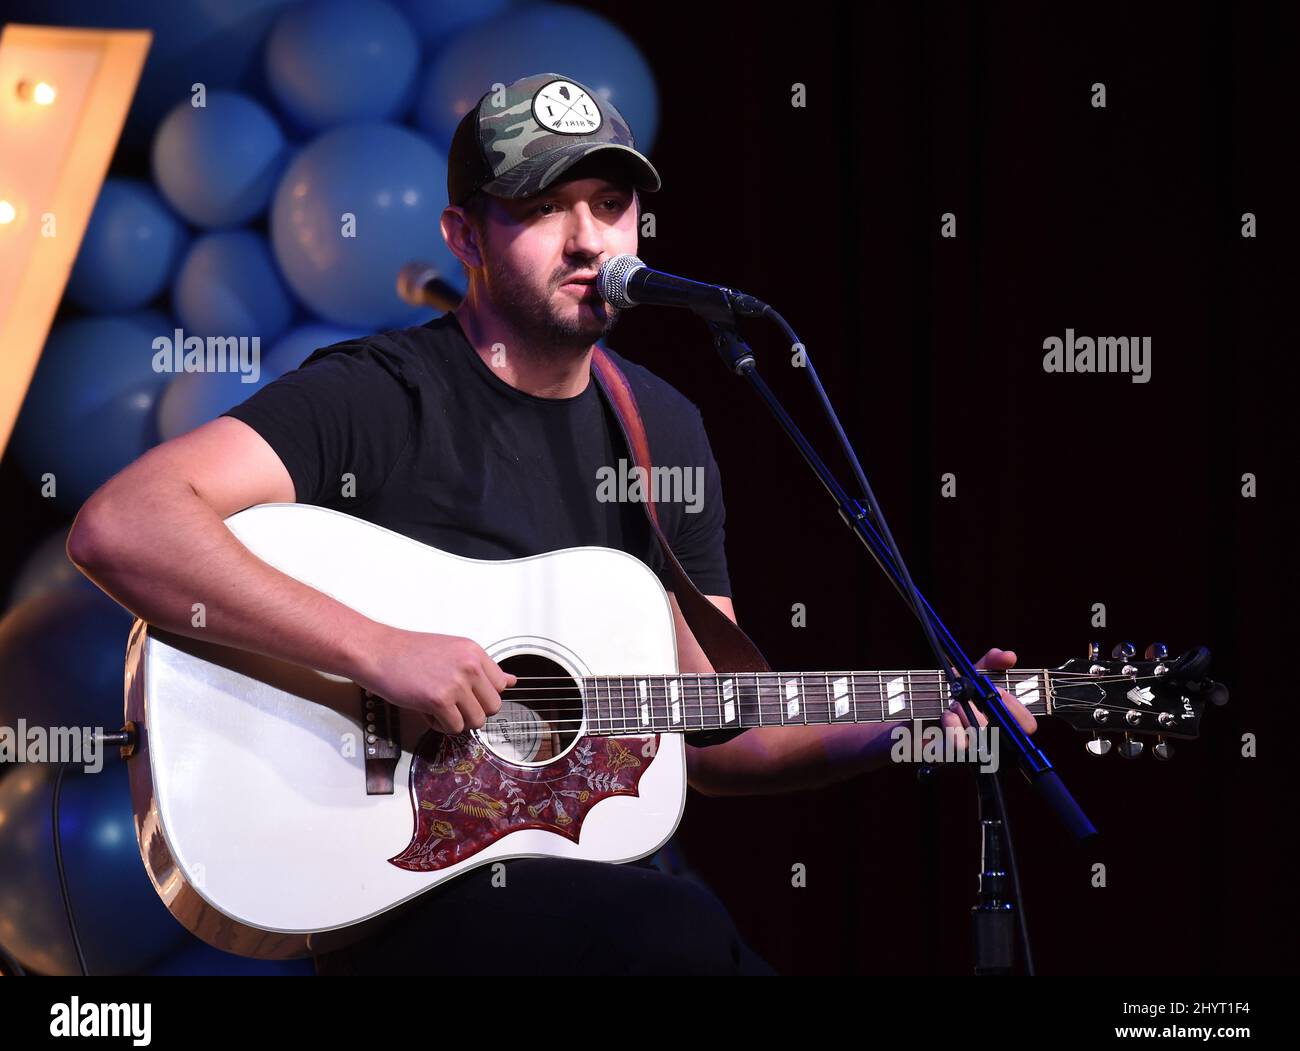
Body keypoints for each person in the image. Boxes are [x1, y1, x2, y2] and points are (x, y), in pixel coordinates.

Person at [66, 73, 1036, 975]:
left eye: (609, 207)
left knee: (690, 936)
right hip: (405, 888)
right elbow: (126, 526)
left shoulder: (660, 428)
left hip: (582, 894)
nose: (587, 240)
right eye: (541, 209)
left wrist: (900, 724)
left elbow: (721, 730)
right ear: (463, 235)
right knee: (676, 935)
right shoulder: (374, 396)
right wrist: (376, 650)